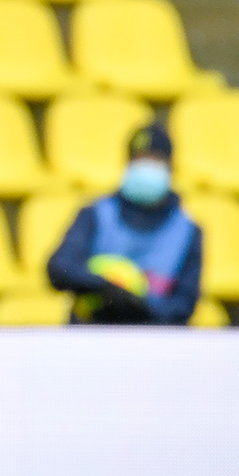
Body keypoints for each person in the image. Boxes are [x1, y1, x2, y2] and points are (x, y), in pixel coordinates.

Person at [47, 122, 203, 325]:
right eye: (139, 160)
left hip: (154, 342)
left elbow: (184, 305)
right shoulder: (96, 214)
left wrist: (140, 307)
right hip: (91, 334)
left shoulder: (187, 231)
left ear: (170, 167)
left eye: (155, 160)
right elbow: (60, 268)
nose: (146, 167)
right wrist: (105, 287)